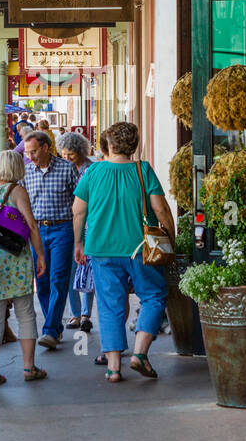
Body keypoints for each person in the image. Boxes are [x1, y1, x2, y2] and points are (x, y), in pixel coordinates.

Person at [72, 121, 175, 383]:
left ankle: (114, 367)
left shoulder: (93, 172)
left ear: (110, 144)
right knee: (153, 295)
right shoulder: (143, 170)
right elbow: (160, 209)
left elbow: (78, 211)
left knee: (109, 305)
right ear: (134, 145)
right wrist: (170, 236)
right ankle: (139, 354)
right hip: (140, 247)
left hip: (101, 247)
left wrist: (78, 242)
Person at [0, 149, 48, 384]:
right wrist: (41, 255)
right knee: (25, 312)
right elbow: (32, 226)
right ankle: (28, 368)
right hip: (15, 259)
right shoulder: (17, 191)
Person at [23, 130, 79, 348]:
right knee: (42, 281)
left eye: (34, 151)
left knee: (58, 279)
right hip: (36, 231)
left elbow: (79, 201)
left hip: (62, 229)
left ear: (46, 147)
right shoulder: (27, 172)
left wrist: (79, 233)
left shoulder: (66, 169)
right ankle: (54, 327)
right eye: (28, 153)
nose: (30, 156)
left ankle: (49, 329)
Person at [58, 130, 96, 330]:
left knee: (85, 268)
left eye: (70, 155)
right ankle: (75, 313)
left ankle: (85, 314)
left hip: (88, 223)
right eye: (63, 155)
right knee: (71, 270)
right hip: (68, 223)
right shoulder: (63, 169)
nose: (66, 159)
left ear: (80, 151)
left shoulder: (92, 168)